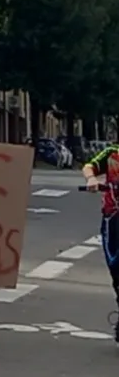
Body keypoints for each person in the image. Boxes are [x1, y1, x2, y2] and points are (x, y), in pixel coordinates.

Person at [80, 143, 119, 343]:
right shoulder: (113, 153)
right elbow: (89, 166)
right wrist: (92, 179)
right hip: (113, 216)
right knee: (115, 266)